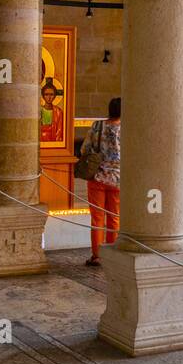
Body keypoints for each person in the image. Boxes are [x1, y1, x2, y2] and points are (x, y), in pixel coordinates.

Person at [81, 97, 121, 267]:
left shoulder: (97, 126)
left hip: (97, 177)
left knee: (97, 219)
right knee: (114, 218)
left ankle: (97, 255)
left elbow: (84, 149)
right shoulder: (127, 129)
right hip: (118, 179)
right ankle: (112, 253)